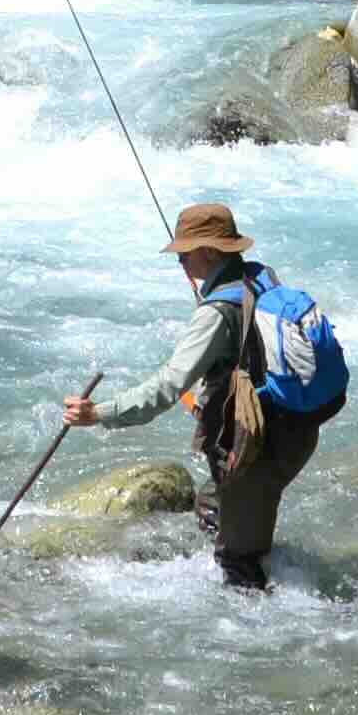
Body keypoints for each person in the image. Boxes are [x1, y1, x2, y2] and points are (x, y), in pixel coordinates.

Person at [64, 200, 328, 591]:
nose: (180, 263)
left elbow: (169, 386)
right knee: (211, 506)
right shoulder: (259, 278)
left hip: (258, 448)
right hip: (297, 432)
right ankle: (256, 558)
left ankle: (253, 624)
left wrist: (98, 413)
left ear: (207, 252)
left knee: (239, 567)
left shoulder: (217, 311)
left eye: (184, 255)